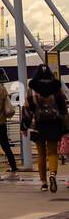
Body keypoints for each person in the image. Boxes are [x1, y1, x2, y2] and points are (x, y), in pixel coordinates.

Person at [20, 64, 67, 193]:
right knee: (52, 152)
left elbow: (27, 110)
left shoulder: (31, 91)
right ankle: (52, 173)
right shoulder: (57, 90)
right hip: (53, 124)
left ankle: (44, 183)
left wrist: (24, 126)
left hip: (37, 125)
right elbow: (63, 110)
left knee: (41, 154)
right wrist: (64, 126)